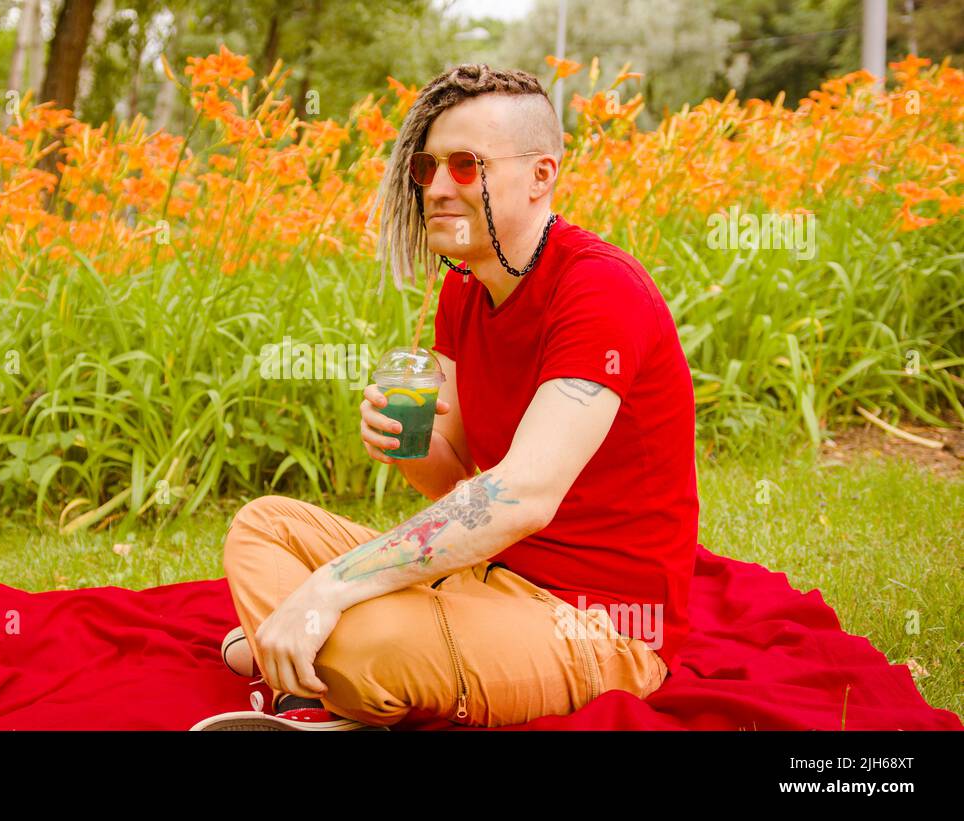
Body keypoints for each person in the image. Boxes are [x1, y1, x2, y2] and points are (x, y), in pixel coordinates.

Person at [189, 63, 698, 731]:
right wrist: (410, 445)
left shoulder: (600, 291)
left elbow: (518, 494)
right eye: (427, 168)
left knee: (363, 635)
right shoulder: (465, 288)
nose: (437, 188)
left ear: (542, 175)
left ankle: (298, 665)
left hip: (595, 626)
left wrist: (331, 585)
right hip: (482, 579)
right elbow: (457, 475)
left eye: (466, 165)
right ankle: (309, 663)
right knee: (263, 525)